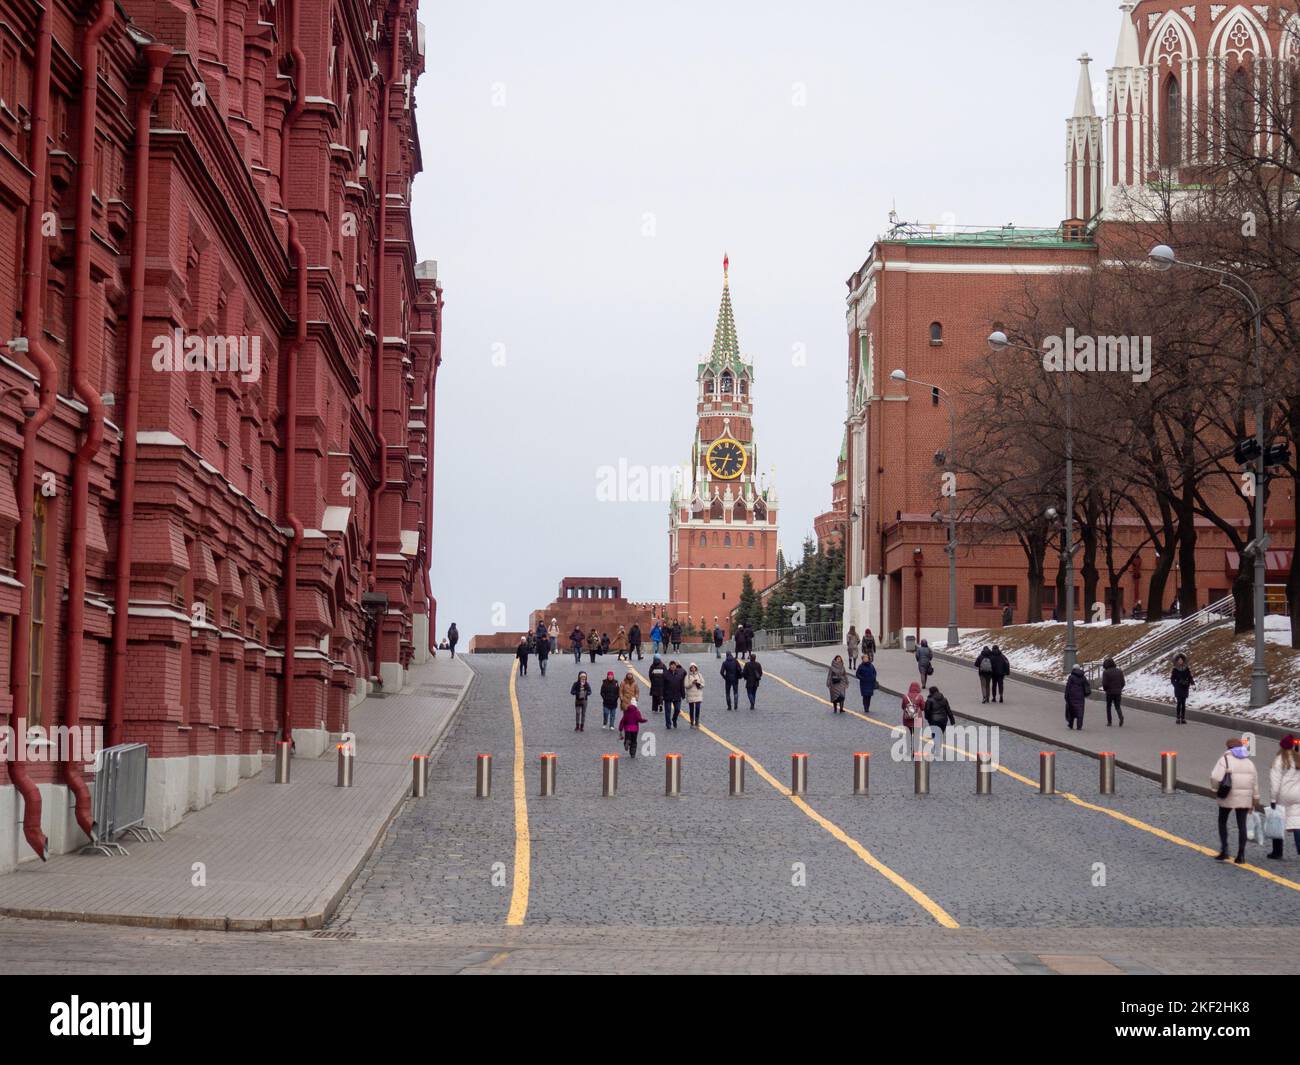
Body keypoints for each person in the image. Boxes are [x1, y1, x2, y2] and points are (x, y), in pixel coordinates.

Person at [1210, 737, 1261, 865]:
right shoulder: (1249, 763)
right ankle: (1241, 855)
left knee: (1222, 821)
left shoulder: (1225, 759)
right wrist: (1255, 799)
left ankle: (1224, 850)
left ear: (1229, 748)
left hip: (1227, 795)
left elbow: (1215, 777)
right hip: (1244, 798)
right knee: (1242, 825)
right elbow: (1255, 783)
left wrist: (1215, 790)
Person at [1267, 736, 1300, 861]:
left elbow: (1275, 782)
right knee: (1297, 821)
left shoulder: (1279, 760)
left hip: (1284, 794)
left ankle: (1277, 852)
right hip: (1298, 794)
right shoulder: (1298, 759)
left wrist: (1273, 799)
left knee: (1278, 821)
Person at [1064, 664, 1090, 730]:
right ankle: (1079, 726)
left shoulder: (1071, 677)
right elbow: (1087, 686)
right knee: (1080, 711)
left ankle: (1070, 724)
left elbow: (1068, 687)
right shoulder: (1083, 677)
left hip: (1071, 696)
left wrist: (1066, 696)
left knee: (1071, 710)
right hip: (1080, 696)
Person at [1101, 657, 1125, 726]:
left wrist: (1106, 689)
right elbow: (1123, 682)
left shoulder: (1106, 672)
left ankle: (1109, 721)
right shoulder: (1119, 671)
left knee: (1108, 706)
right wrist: (1119, 688)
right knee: (1117, 706)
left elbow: (1105, 683)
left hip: (1109, 692)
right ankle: (1120, 716)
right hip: (1118, 692)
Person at [901, 681, 924, 754]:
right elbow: (923, 707)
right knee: (917, 736)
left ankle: (908, 750)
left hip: (907, 719)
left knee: (908, 735)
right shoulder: (920, 697)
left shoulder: (905, 697)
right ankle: (915, 750)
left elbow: (903, 707)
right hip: (917, 719)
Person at [1171, 654, 1194, 724]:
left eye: (1181, 660)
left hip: (1185, 687)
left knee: (1183, 703)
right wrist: (1175, 685)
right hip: (1178, 688)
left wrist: (1192, 683)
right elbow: (1172, 679)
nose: (1180, 661)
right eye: (1179, 660)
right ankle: (1178, 718)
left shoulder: (1186, 668)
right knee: (1179, 702)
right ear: (1177, 661)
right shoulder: (1175, 669)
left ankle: (1183, 718)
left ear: (1183, 661)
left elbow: (1190, 676)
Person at [664, 660, 686, 729]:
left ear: (676, 666)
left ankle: (674, 719)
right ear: (669, 666)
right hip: (668, 695)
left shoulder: (679, 674)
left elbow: (681, 685)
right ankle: (668, 724)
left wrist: (683, 694)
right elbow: (662, 685)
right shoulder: (665, 674)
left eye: (674, 665)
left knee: (677, 709)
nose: (673, 666)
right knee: (668, 711)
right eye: (671, 665)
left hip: (677, 694)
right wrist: (661, 695)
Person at [685, 663, 705, 728]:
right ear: (690, 668)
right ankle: (691, 722)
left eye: (694, 667)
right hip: (690, 695)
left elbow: (703, 684)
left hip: (698, 694)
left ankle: (697, 721)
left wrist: (698, 684)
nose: (693, 669)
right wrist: (692, 683)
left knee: (697, 708)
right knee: (691, 709)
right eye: (692, 668)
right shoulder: (687, 676)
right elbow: (686, 685)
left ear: (696, 668)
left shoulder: (699, 675)